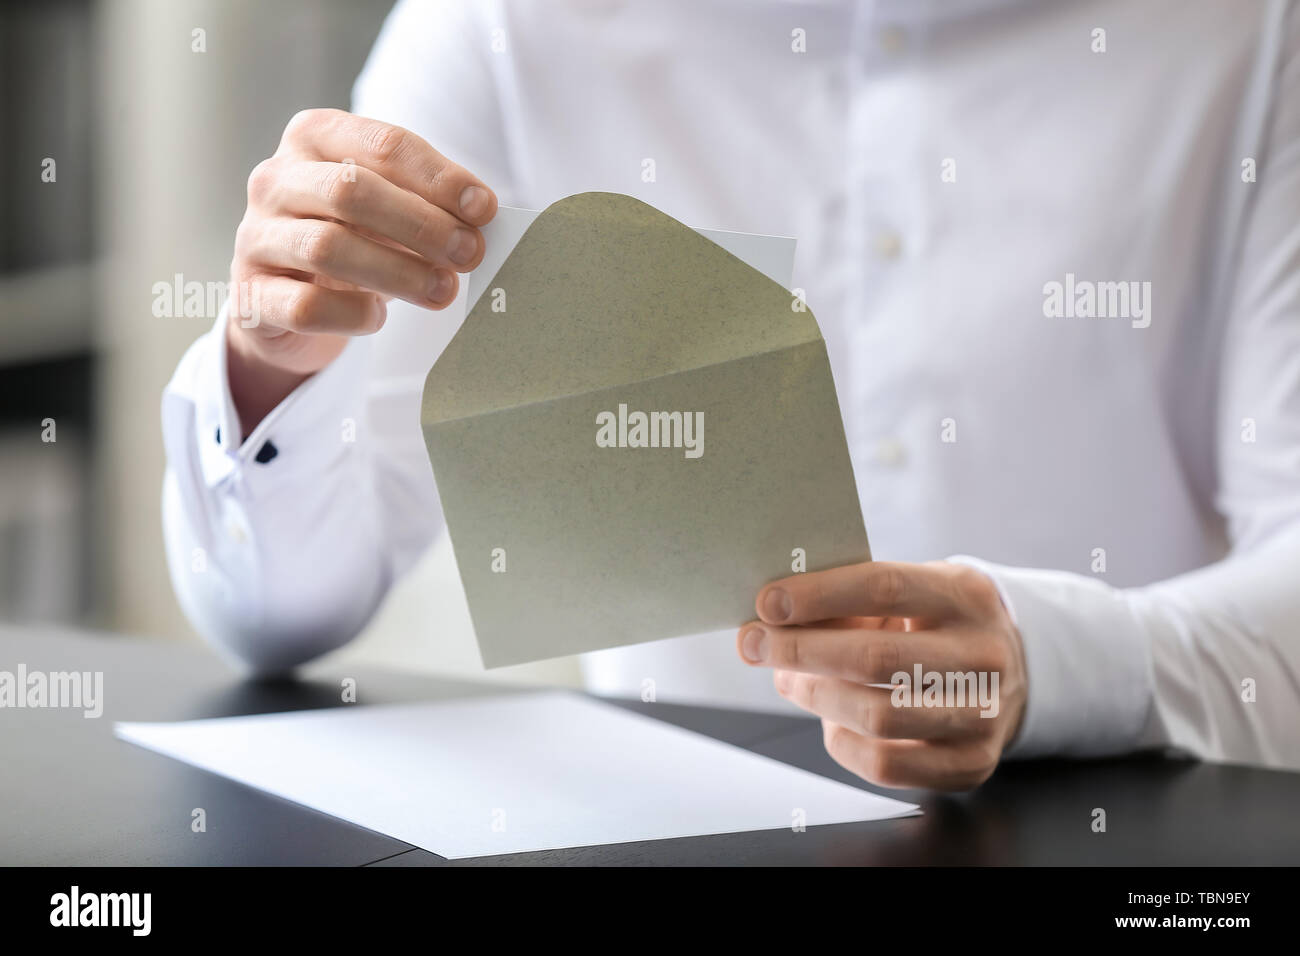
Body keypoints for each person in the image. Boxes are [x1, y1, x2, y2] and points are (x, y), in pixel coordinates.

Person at [161, 0, 1300, 790]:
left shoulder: (1248, 36)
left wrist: (1058, 663)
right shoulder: (505, 26)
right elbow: (280, 616)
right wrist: (269, 369)